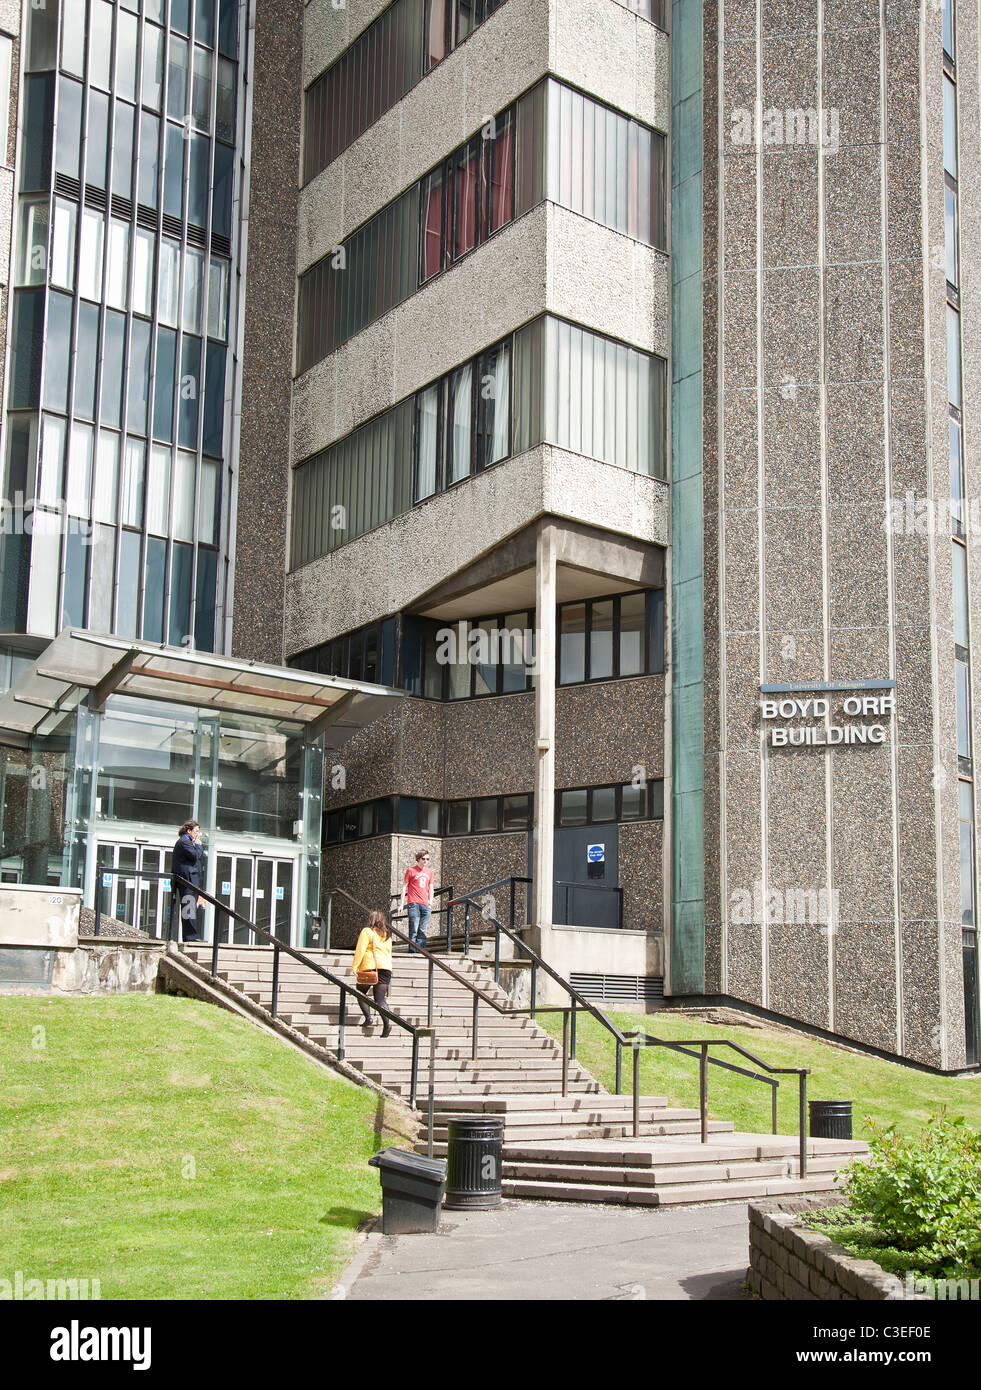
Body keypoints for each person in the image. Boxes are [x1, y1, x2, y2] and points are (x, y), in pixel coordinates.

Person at [352, 910, 394, 1036]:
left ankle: (368, 1018)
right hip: (386, 968)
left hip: (371, 967)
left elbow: (360, 949)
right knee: (380, 998)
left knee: (360, 992)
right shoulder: (386, 935)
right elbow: (389, 953)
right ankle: (387, 1024)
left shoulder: (367, 931)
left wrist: (355, 966)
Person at [172, 820, 204, 943]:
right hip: (188, 880)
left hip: (190, 880)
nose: (198, 834)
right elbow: (195, 855)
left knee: (190, 907)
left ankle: (190, 936)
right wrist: (199, 845)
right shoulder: (185, 841)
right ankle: (190, 937)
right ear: (189, 830)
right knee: (189, 907)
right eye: (196, 831)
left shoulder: (187, 841)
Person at [399, 849, 434, 953]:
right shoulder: (411, 870)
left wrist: (430, 902)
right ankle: (413, 952)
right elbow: (404, 887)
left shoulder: (429, 872)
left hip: (425, 904)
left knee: (422, 929)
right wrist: (401, 904)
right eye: (423, 859)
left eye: (427, 859)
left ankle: (420, 951)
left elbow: (431, 887)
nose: (425, 861)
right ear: (418, 859)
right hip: (413, 903)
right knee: (414, 929)